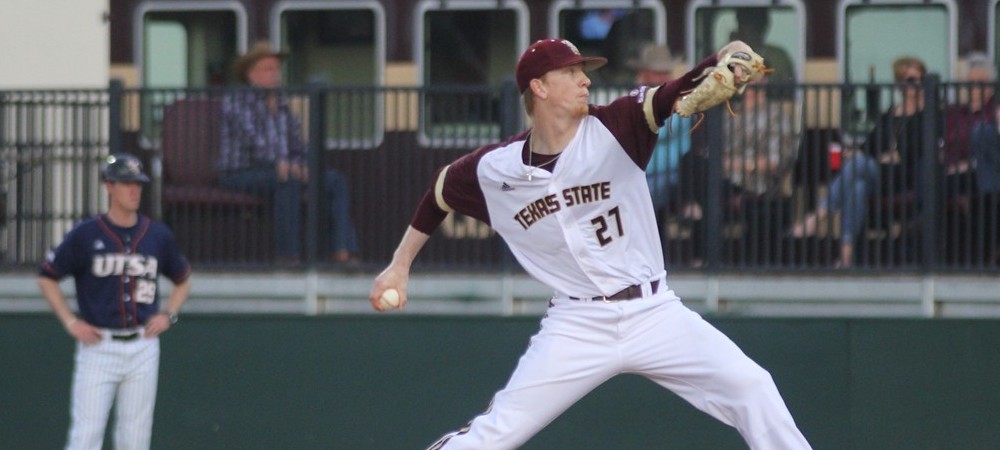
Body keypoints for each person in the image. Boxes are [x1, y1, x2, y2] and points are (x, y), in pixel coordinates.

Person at [369, 38, 811, 449]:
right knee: (497, 431)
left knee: (752, 387)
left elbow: (673, 91)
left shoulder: (617, 125)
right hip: (577, 322)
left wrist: (722, 58)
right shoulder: (495, 169)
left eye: (585, 72)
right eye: (571, 73)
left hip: (654, 312)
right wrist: (400, 264)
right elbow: (441, 191)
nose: (586, 80)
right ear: (538, 88)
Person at [37, 153, 192, 450]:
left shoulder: (157, 235)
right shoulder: (87, 233)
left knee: (135, 438)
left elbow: (183, 278)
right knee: (86, 436)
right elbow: (47, 276)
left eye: (137, 184)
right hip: (99, 345)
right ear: (108, 186)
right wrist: (70, 321)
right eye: (125, 183)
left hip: (142, 345)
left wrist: (169, 315)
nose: (134, 190)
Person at [219, 40, 359, 264]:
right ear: (251, 75)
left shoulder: (282, 104)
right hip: (241, 172)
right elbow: (254, 141)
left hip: (282, 170)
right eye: (268, 69)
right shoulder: (237, 101)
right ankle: (288, 256)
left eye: (277, 69)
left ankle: (342, 250)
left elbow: (297, 144)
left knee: (334, 181)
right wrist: (281, 164)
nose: (275, 74)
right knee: (287, 180)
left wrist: (302, 165)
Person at [792, 56, 934, 267]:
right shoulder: (891, 114)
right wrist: (854, 152)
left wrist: (894, 155)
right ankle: (846, 256)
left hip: (904, 176)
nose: (914, 85)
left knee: (860, 171)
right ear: (898, 83)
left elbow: (921, 149)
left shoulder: (928, 115)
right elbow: (870, 145)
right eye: (908, 79)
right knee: (858, 184)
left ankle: (818, 215)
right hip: (879, 175)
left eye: (918, 79)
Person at [628, 43, 693, 220]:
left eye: (665, 72)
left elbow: (657, 129)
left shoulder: (681, 100)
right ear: (644, 73)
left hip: (671, 173)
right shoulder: (635, 97)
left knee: (642, 198)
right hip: (636, 174)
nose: (662, 77)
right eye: (657, 72)